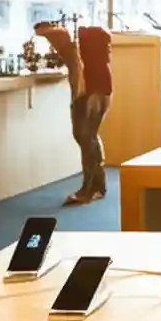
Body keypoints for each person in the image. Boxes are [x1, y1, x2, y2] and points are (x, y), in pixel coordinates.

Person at [35, 21, 112, 205]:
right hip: (99, 91)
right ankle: (97, 186)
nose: (48, 41)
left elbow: (81, 73)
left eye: (47, 36)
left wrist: (86, 98)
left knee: (85, 138)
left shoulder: (73, 49)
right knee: (89, 137)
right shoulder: (84, 48)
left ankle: (89, 189)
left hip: (91, 93)